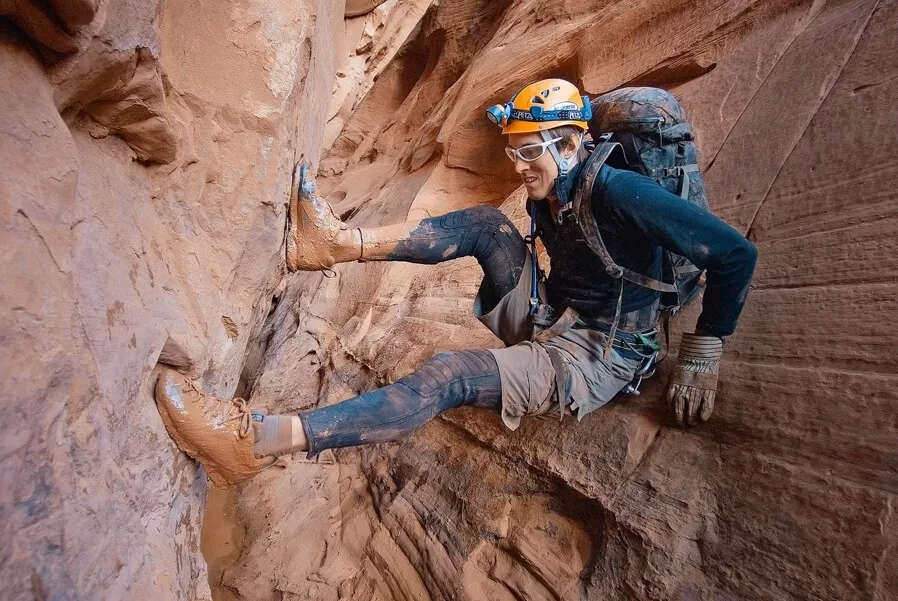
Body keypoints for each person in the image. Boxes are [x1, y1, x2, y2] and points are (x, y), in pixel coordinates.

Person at [154, 79, 757, 487]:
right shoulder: (553, 189)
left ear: (570, 144)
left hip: (602, 354)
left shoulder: (621, 190)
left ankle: (253, 445)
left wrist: (704, 352)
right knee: (487, 223)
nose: (518, 166)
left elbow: (735, 253)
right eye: (513, 151)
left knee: (449, 375)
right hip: (557, 317)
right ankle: (334, 244)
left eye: (529, 151)